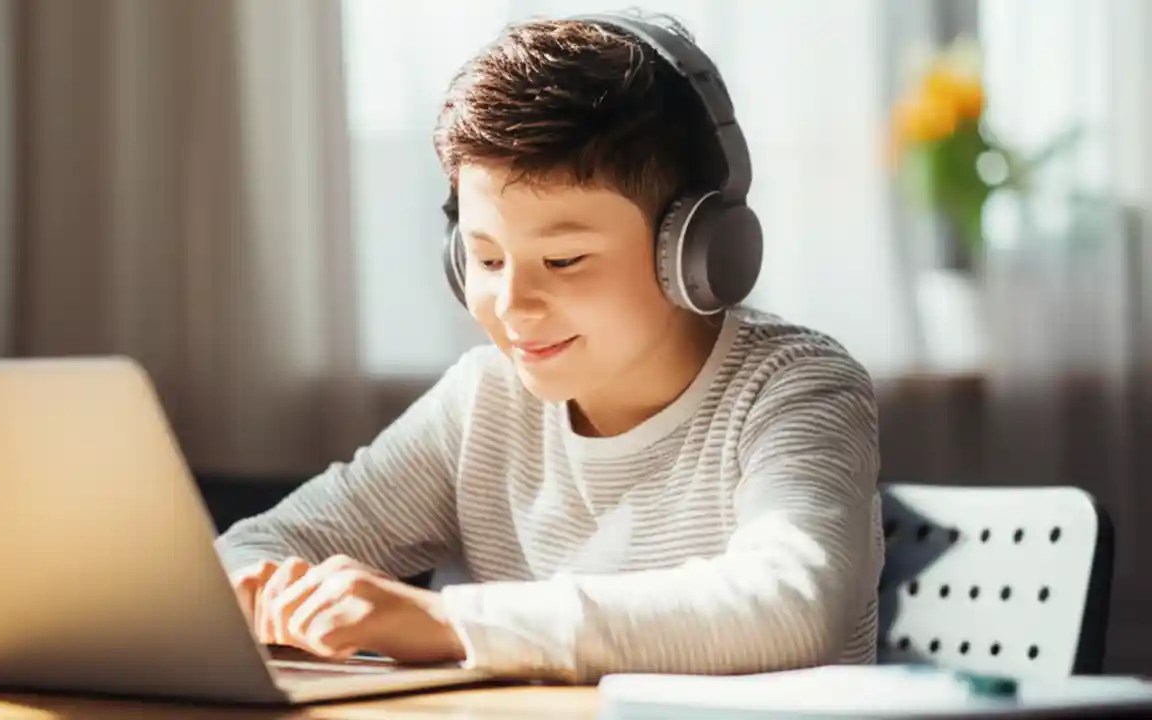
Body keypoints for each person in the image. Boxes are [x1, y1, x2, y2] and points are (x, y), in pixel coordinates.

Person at [215, 11, 883, 683]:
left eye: (563, 261)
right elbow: (257, 546)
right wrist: (265, 596)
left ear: (693, 252)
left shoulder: (796, 387)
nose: (512, 307)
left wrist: (448, 624)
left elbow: (793, 604)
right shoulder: (485, 400)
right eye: (485, 258)